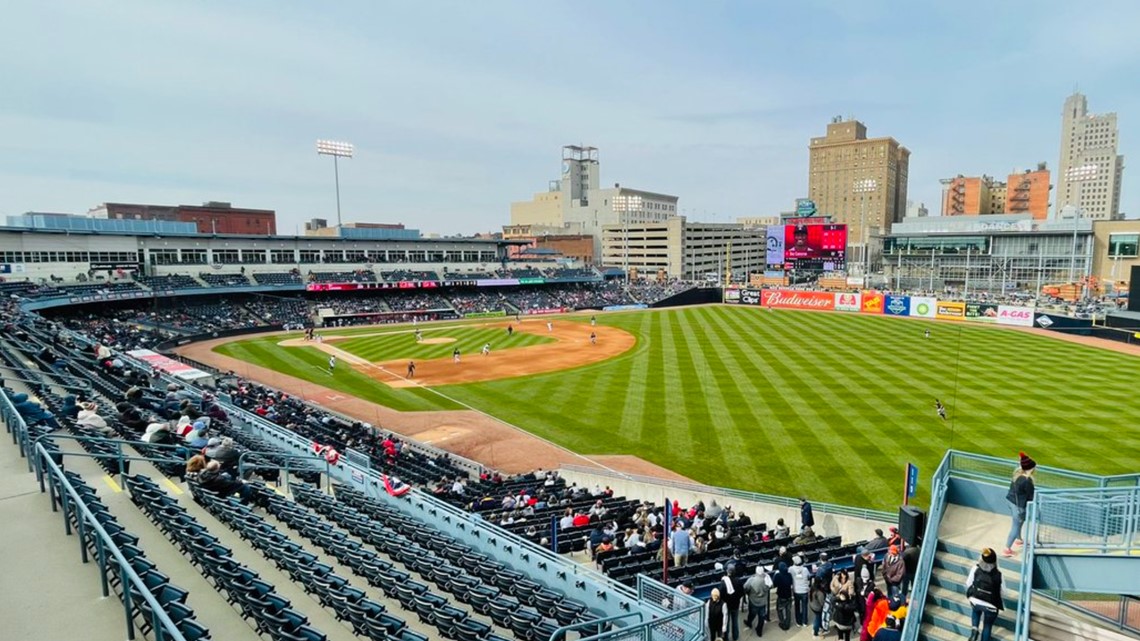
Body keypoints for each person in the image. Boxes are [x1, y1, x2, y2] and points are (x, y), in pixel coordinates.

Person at [966, 548, 1004, 641]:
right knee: (987, 626)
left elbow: (968, 583)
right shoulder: (999, 574)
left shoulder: (975, 568)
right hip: (991, 605)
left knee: (976, 609)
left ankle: (974, 631)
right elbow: (1003, 592)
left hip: (975, 600)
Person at [1004, 452, 1036, 557]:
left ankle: (1018, 539)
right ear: (1030, 468)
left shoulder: (1017, 475)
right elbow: (1031, 497)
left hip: (1010, 501)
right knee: (1016, 526)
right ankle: (1007, 549)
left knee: (1019, 522)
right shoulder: (1027, 481)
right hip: (1018, 506)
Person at [744, 566, 772, 637]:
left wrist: (748, 593)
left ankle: (749, 623)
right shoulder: (767, 579)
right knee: (761, 617)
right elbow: (771, 586)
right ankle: (759, 631)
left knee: (752, 614)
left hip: (754, 601)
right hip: (763, 601)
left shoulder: (751, 580)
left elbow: (745, 587)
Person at [720, 564, 744, 641]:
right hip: (735, 604)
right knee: (735, 621)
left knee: (726, 622)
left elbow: (721, 595)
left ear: (727, 572)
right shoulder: (738, 580)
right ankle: (735, 637)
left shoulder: (723, 582)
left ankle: (726, 638)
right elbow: (742, 593)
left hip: (727, 605)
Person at [772, 562, 794, 631]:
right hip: (789, 595)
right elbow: (791, 582)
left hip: (781, 596)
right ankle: (787, 624)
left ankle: (782, 623)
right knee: (788, 611)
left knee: (779, 609)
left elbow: (774, 584)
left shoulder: (778, 576)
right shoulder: (789, 575)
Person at [790, 555, 811, 628]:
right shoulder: (805, 569)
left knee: (797, 607)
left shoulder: (791, 569)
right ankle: (804, 622)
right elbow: (809, 576)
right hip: (804, 590)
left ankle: (798, 622)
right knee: (805, 607)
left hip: (796, 591)